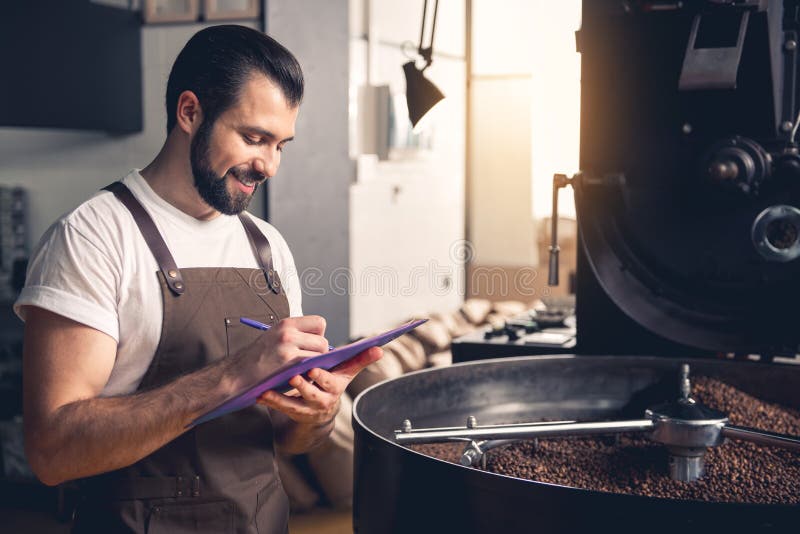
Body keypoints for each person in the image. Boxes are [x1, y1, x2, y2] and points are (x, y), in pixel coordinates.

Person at [14, 25, 381, 533]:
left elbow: (282, 434)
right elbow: (53, 452)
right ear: (190, 112)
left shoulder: (268, 247)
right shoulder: (93, 237)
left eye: (281, 145)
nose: (268, 165)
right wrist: (231, 375)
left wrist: (314, 416)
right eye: (253, 138)